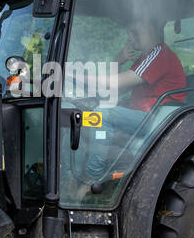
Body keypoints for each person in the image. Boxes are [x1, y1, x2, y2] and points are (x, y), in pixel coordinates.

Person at [78, 17, 186, 196]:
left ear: (151, 29)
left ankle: (91, 181)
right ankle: (71, 178)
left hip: (155, 122)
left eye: (135, 31)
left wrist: (81, 77)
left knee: (101, 115)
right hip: (141, 119)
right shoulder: (146, 58)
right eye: (128, 32)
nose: (130, 37)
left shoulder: (159, 54)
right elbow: (111, 91)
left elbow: (116, 83)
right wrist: (118, 61)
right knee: (83, 119)